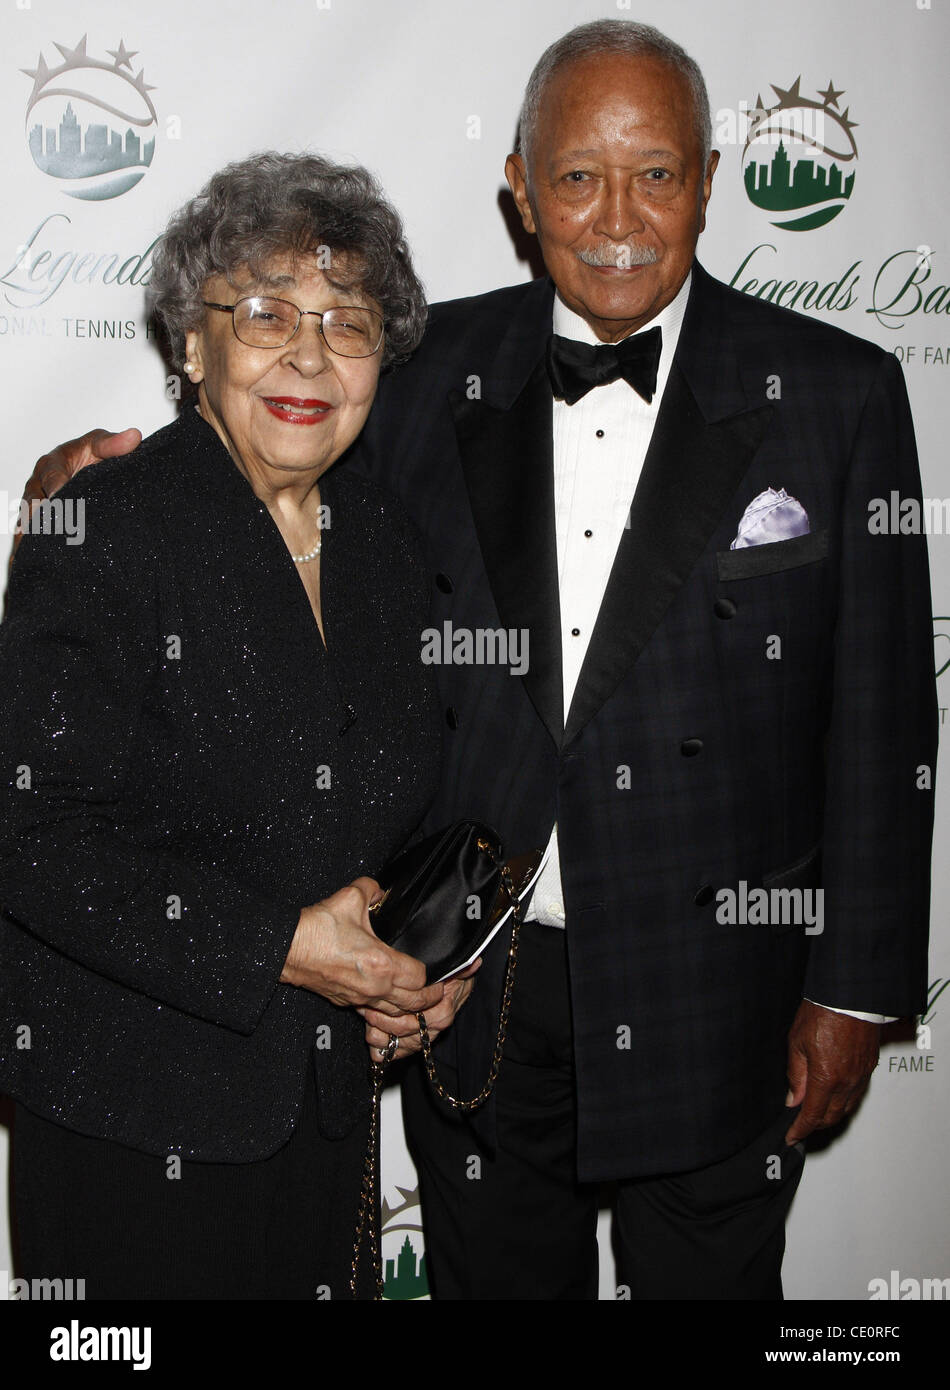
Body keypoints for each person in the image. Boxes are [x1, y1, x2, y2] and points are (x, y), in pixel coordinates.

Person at [20, 21, 938, 1302]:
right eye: (574, 176)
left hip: (717, 986)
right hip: (475, 992)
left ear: (710, 180)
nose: (614, 215)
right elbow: (248, 438)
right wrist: (76, 480)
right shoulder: (419, 370)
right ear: (517, 185)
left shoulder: (836, 393)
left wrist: (855, 987)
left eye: (655, 173)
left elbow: (886, 714)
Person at [0, 150, 473, 1301]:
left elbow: (379, 816)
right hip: (132, 1125)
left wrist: (416, 968)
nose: (308, 354)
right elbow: (28, 834)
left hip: (320, 1118)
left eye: (346, 322)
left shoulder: (386, 546)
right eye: (263, 313)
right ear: (193, 345)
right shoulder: (103, 530)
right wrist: (278, 946)